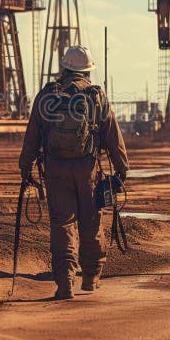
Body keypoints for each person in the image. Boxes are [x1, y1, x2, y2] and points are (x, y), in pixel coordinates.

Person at [19, 45, 129, 300]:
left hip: (55, 171)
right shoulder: (95, 96)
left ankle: (65, 281)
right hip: (87, 169)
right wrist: (122, 169)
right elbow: (113, 136)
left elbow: (32, 136)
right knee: (91, 223)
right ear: (87, 71)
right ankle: (90, 278)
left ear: (64, 68)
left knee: (63, 224)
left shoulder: (47, 96)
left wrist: (25, 168)